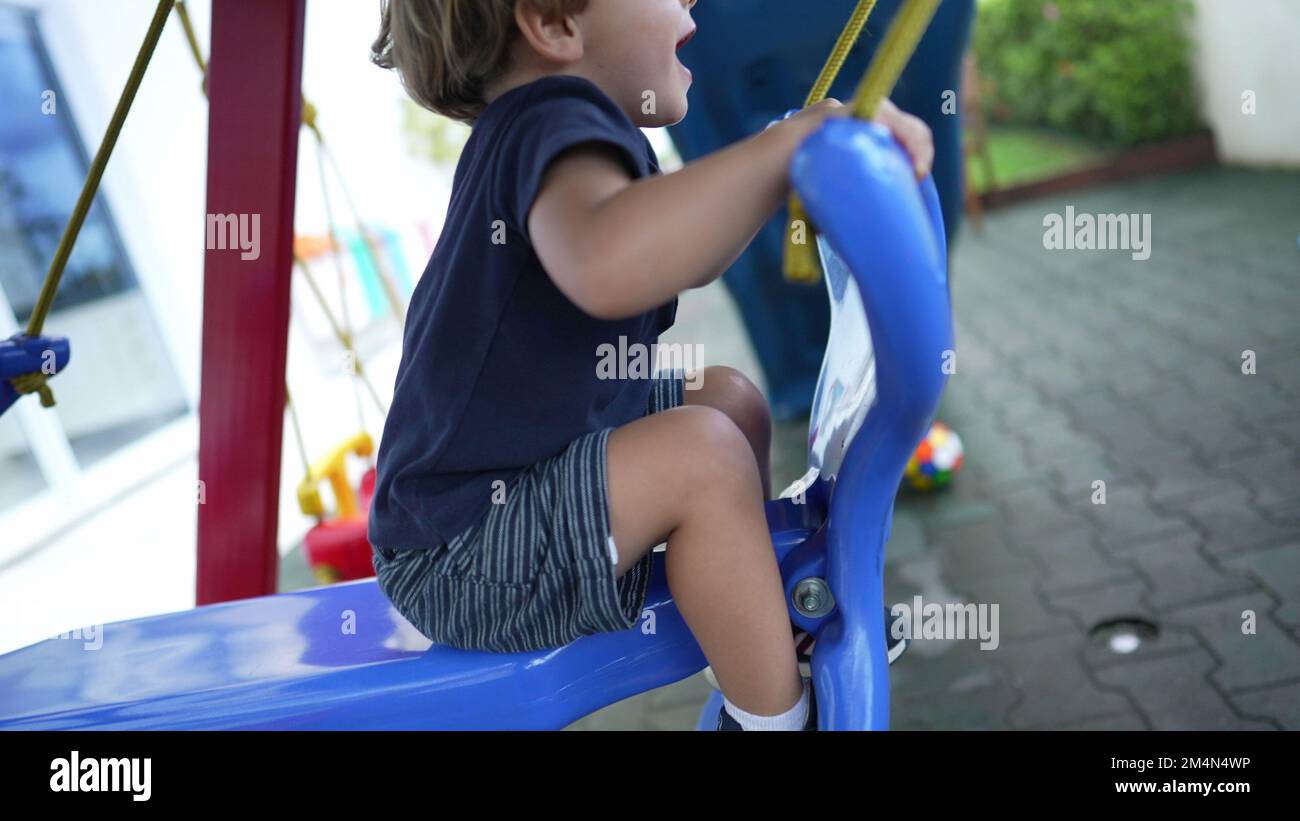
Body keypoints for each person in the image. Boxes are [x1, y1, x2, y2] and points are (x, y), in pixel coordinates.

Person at [367, 0, 932, 731]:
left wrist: (782, 150)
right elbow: (610, 263)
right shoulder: (552, 117)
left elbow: (692, 254)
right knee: (704, 454)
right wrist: (785, 148)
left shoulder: (557, 132)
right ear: (556, 24)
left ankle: (758, 625)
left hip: (507, 483)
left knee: (728, 398)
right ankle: (768, 720)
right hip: (462, 552)